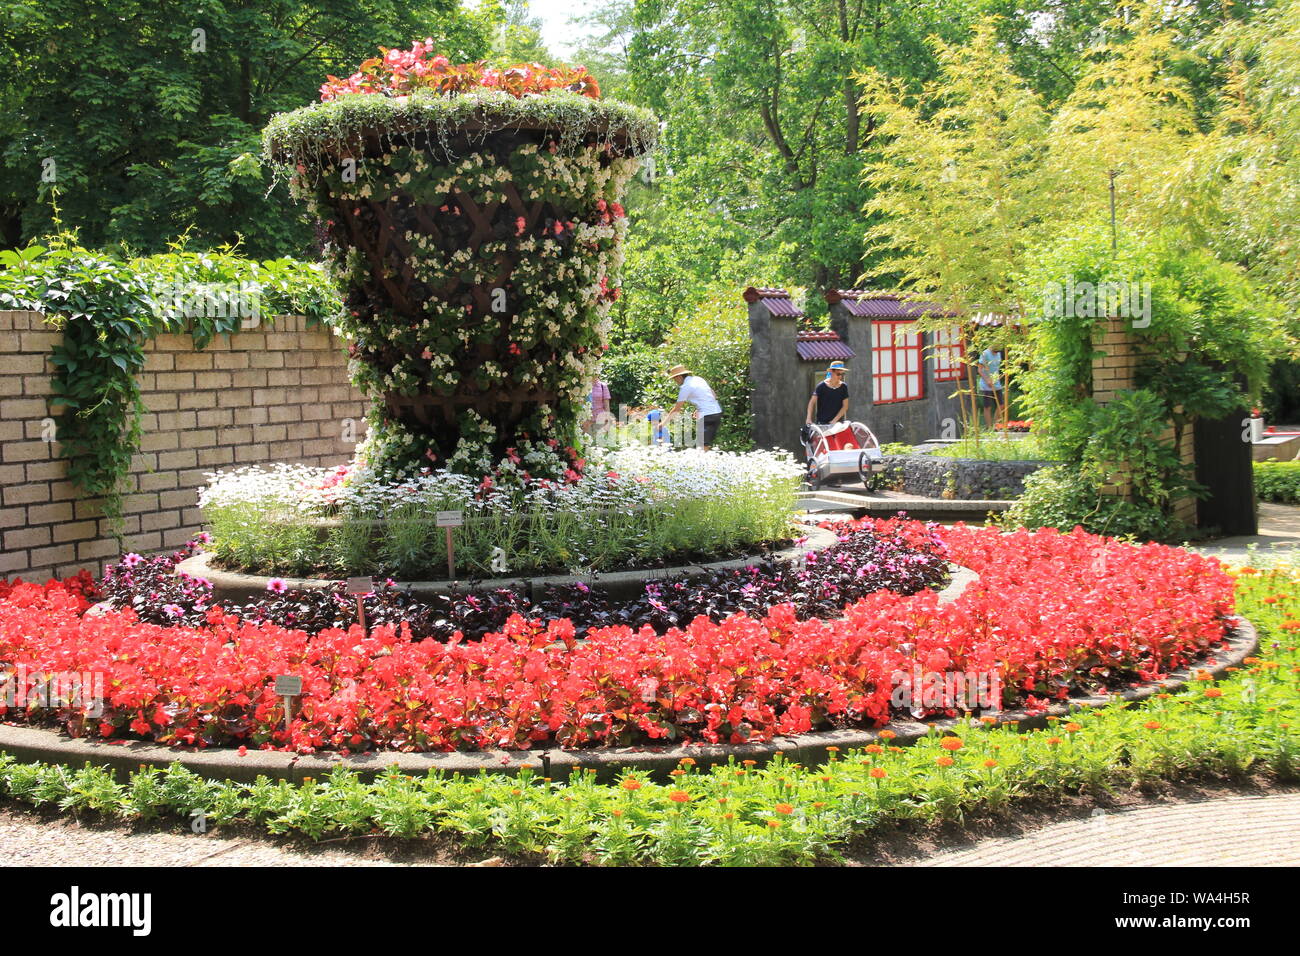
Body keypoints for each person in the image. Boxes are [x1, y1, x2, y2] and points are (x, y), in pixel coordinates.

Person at [664, 364, 723, 450]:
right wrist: (699, 408)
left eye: (674, 378)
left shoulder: (685, 387)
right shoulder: (698, 379)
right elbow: (713, 395)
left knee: (702, 446)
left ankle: (703, 463)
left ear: (679, 377)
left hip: (706, 415)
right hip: (717, 412)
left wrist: (662, 424)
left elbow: (676, 409)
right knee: (704, 444)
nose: (675, 381)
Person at [806, 362, 849, 427]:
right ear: (831, 372)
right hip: (822, 424)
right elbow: (812, 402)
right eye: (838, 374)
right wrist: (808, 418)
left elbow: (845, 406)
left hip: (837, 424)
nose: (840, 376)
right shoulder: (821, 386)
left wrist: (834, 420)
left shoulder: (844, 387)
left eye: (842, 374)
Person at [977, 347, 1005, 428]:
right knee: (987, 406)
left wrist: (999, 377)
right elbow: (980, 370)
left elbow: (997, 368)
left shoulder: (999, 353)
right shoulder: (985, 354)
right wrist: (987, 380)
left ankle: (996, 425)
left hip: (996, 383)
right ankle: (989, 428)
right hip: (986, 384)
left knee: (1001, 405)